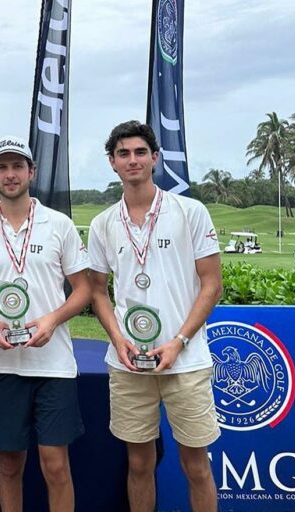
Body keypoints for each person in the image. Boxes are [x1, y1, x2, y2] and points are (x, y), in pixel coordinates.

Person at [88, 121, 223, 512]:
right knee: (138, 463)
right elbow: (97, 288)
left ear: (155, 158)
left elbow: (211, 284)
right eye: (124, 154)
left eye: (140, 152)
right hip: (130, 363)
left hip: (186, 360)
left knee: (196, 466)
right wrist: (119, 340)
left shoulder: (190, 211)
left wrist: (179, 341)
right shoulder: (102, 224)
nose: (133, 160)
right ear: (112, 163)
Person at [0, 136, 91, 511]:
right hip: (1, 364)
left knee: (56, 465)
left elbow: (83, 290)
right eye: (2, 167)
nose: (11, 174)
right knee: (10, 464)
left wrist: (52, 319)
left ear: (31, 172)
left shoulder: (59, 225)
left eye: (18, 166)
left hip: (53, 363)